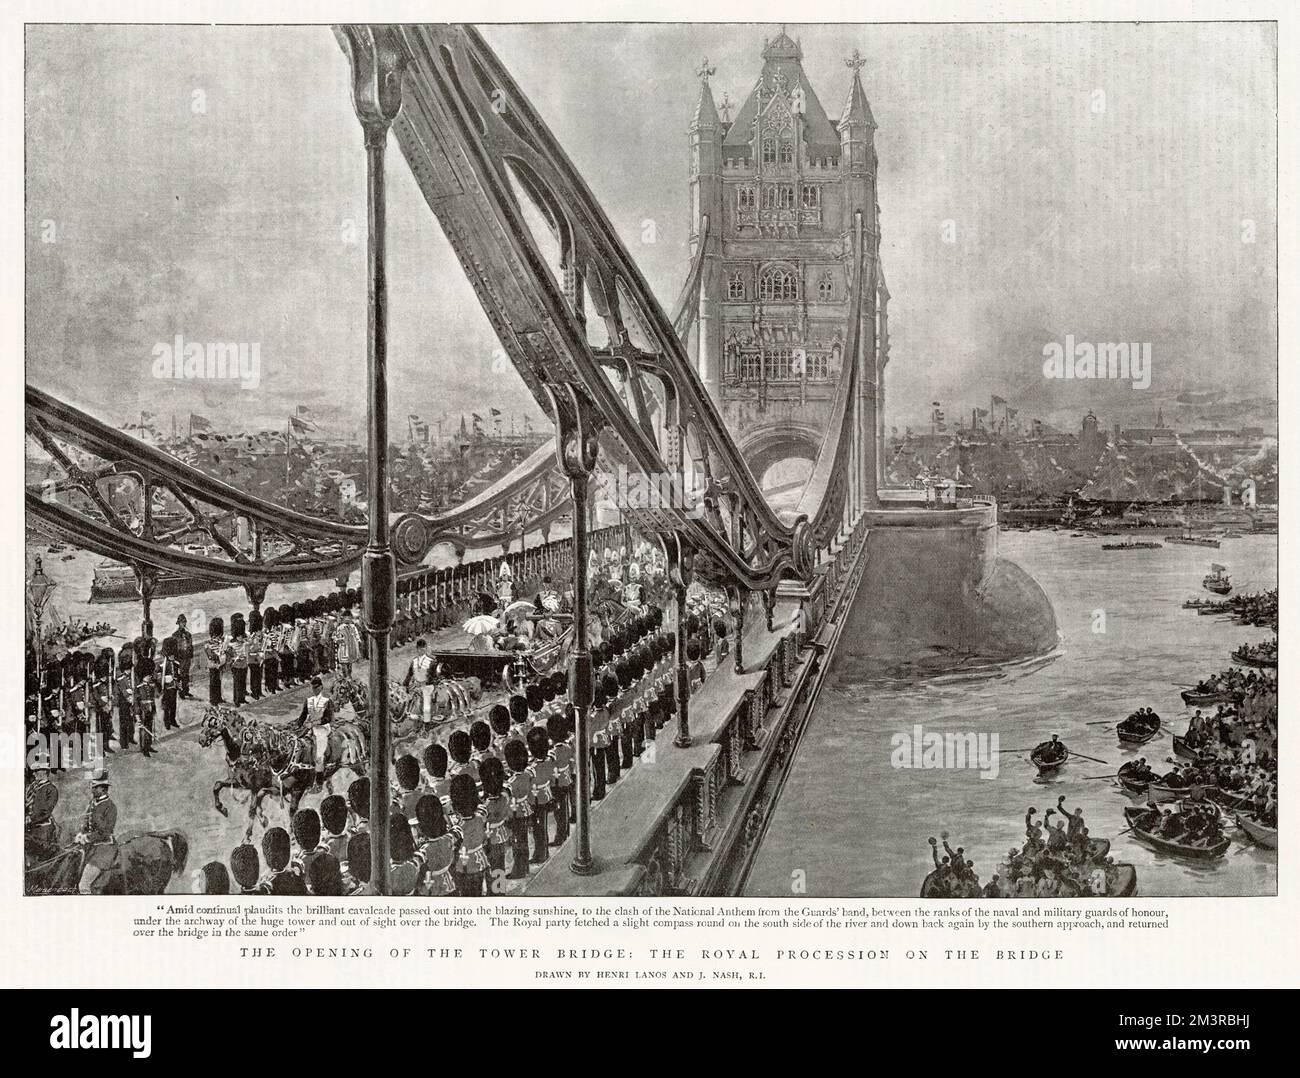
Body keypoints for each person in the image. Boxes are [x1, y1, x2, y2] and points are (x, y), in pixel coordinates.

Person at [75, 768, 118, 895]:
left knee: (84, 885)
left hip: (104, 849)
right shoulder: (92, 803)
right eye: (92, 786)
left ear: (103, 789)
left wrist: (88, 838)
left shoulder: (110, 807)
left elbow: (105, 832)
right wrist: (81, 834)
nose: (92, 790)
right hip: (91, 846)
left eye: (95, 787)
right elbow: (86, 822)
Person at [449, 774, 488, 897]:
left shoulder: (458, 827)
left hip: (464, 865)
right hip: (480, 860)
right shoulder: (481, 816)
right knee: (477, 890)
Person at [414, 795, 457, 897]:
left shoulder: (423, 851)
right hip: (450, 887)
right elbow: (455, 829)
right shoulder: (449, 839)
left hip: (430, 892)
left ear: (421, 826)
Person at [297, 676, 334, 787]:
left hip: (323, 728)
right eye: (313, 688)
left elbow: (328, 718)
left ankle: (319, 780)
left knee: (319, 753)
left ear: (321, 687)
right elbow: (303, 715)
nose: (315, 690)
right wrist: (298, 725)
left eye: (317, 687)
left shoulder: (327, 701)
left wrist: (315, 723)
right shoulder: (309, 701)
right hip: (310, 727)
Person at [25, 760, 60, 863]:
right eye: (34, 771)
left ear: (45, 771)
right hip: (29, 827)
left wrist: (30, 819)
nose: (34, 773)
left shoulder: (51, 789)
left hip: (43, 829)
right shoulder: (32, 787)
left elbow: (45, 812)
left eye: (37, 771)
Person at [403, 639, 436, 726]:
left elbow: (434, 677)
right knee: (405, 699)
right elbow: (409, 675)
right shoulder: (414, 661)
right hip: (415, 685)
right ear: (417, 649)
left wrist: (424, 684)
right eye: (419, 649)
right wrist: (405, 685)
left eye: (423, 648)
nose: (421, 650)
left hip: (427, 686)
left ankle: (426, 724)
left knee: (426, 703)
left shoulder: (431, 661)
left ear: (426, 649)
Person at [158, 636, 180, 731]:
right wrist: (165, 679)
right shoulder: (162, 665)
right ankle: (167, 722)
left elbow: (178, 675)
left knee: (173, 705)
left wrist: (178, 683)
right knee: (166, 706)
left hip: (173, 687)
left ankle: (173, 720)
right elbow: (159, 677)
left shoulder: (176, 663)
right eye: (171, 655)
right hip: (166, 688)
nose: (172, 656)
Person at [205, 617, 228, 705]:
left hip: (217, 664)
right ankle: (213, 699)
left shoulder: (217, 641)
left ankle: (218, 698)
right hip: (214, 665)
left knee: (218, 681)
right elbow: (211, 653)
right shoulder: (212, 642)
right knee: (214, 682)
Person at [171, 614, 194, 699]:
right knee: (179, 675)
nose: (183, 624)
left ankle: (186, 691)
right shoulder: (175, 635)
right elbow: (174, 647)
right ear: (178, 623)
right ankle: (181, 692)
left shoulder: (188, 634)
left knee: (186, 674)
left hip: (187, 658)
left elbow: (190, 646)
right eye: (182, 622)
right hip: (179, 658)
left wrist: (191, 656)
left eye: (184, 622)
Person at [335, 609, 362, 679]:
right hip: (343, 648)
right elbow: (335, 637)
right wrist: (340, 640)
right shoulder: (340, 628)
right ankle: (345, 677)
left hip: (351, 648)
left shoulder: (353, 627)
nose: (347, 619)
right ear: (343, 618)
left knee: (350, 664)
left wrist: (358, 640)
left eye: (349, 617)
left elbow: (357, 635)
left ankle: (349, 676)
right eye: (346, 617)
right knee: (344, 664)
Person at [247, 610, 265, 701]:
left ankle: (259, 691)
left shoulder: (260, 634)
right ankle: (254, 692)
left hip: (259, 658)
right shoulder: (250, 636)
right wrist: (257, 654)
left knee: (259, 675)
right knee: (254, 676)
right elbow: (249, 651)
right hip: (253, 659)